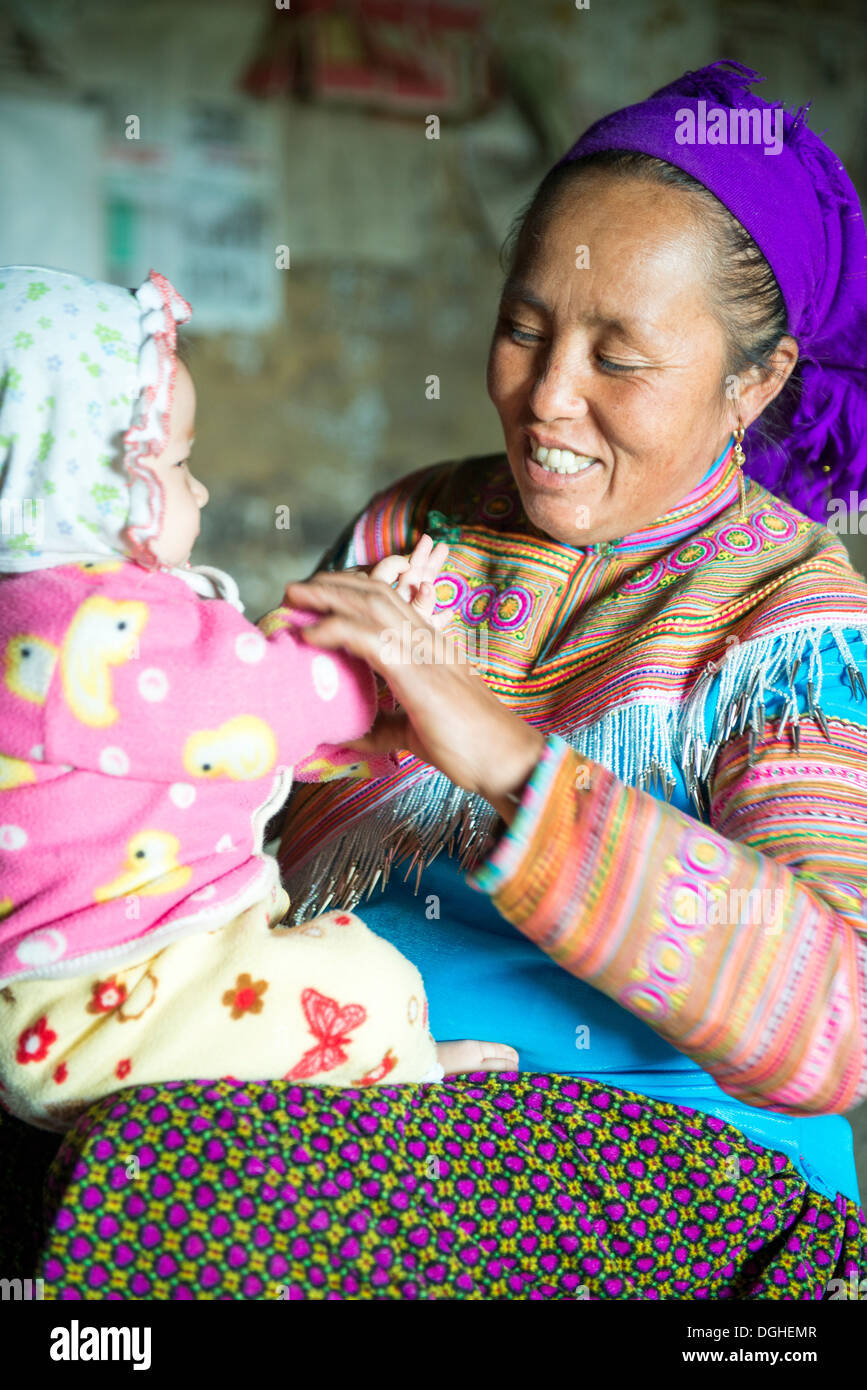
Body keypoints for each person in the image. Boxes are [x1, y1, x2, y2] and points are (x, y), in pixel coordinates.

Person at [23, 60, 867, 1301]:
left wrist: (501, 752)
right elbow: (223, 796)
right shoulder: (421, 523)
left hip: (664, 1156)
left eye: (617, 357)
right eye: (525, 327)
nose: (547, 396)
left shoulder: (793, 617)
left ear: (758, 380)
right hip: (346, 1068)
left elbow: (838, 1020)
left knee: (156, 1177)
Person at [0, 265, 516, 1132]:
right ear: (79, 474)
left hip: (130, 973)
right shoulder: (73, 626)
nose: (199, 490)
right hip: (101, 998)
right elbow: (251, 698)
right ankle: (405, 1073)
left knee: (323, 965)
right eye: (177, 461)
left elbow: (220, 725)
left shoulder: (58, 613)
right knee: (371, 987)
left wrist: (372, 697)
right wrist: (381, 649)